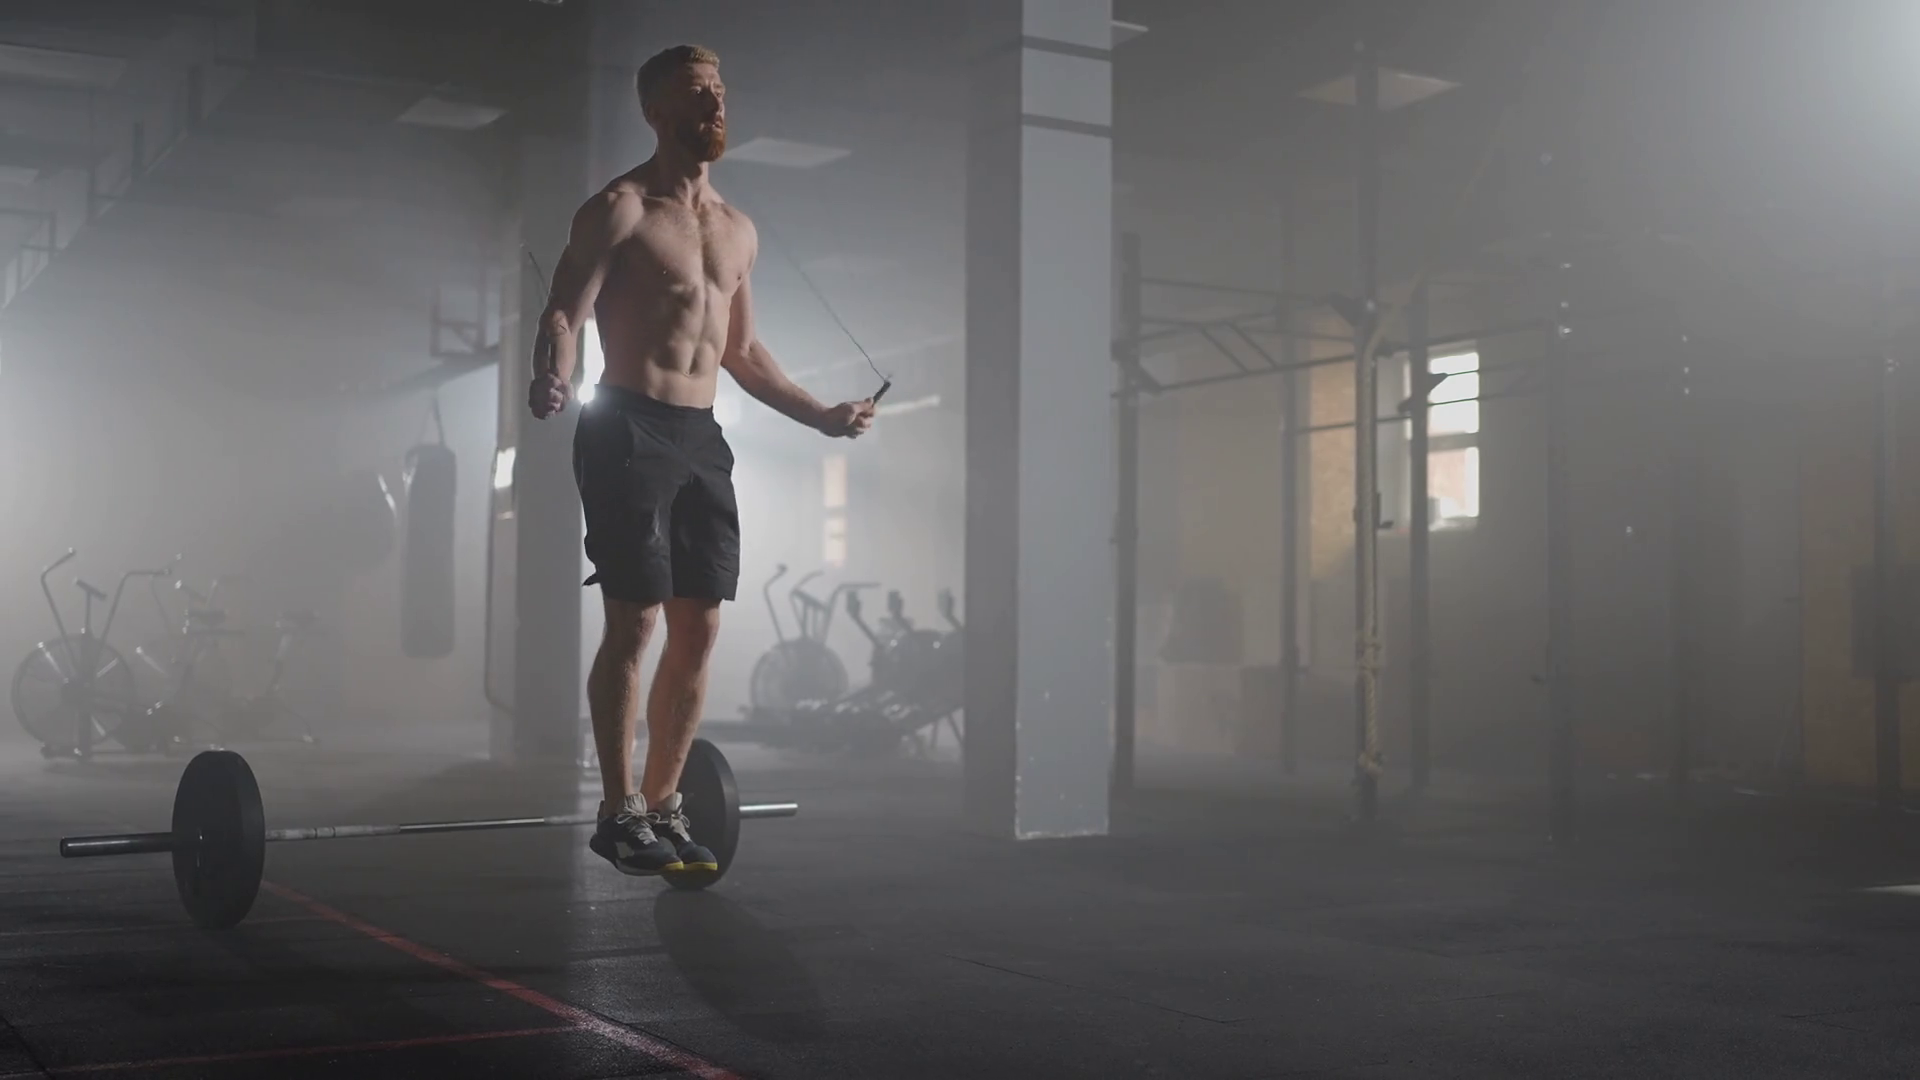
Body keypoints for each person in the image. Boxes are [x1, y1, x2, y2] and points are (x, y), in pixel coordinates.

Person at [527, 44, 877, 877]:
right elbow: (564, 312)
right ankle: (618, 814)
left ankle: (664, 804)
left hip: (700, 437)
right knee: (637, 617)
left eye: (720, 91)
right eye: (697, 94)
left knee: (702, 624)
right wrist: (551, 375)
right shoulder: (619, 208)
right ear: (657, 113)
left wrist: (821, 417)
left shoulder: (737, 230)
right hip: (626, 428)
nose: (715, 106)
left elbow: (744, 351)